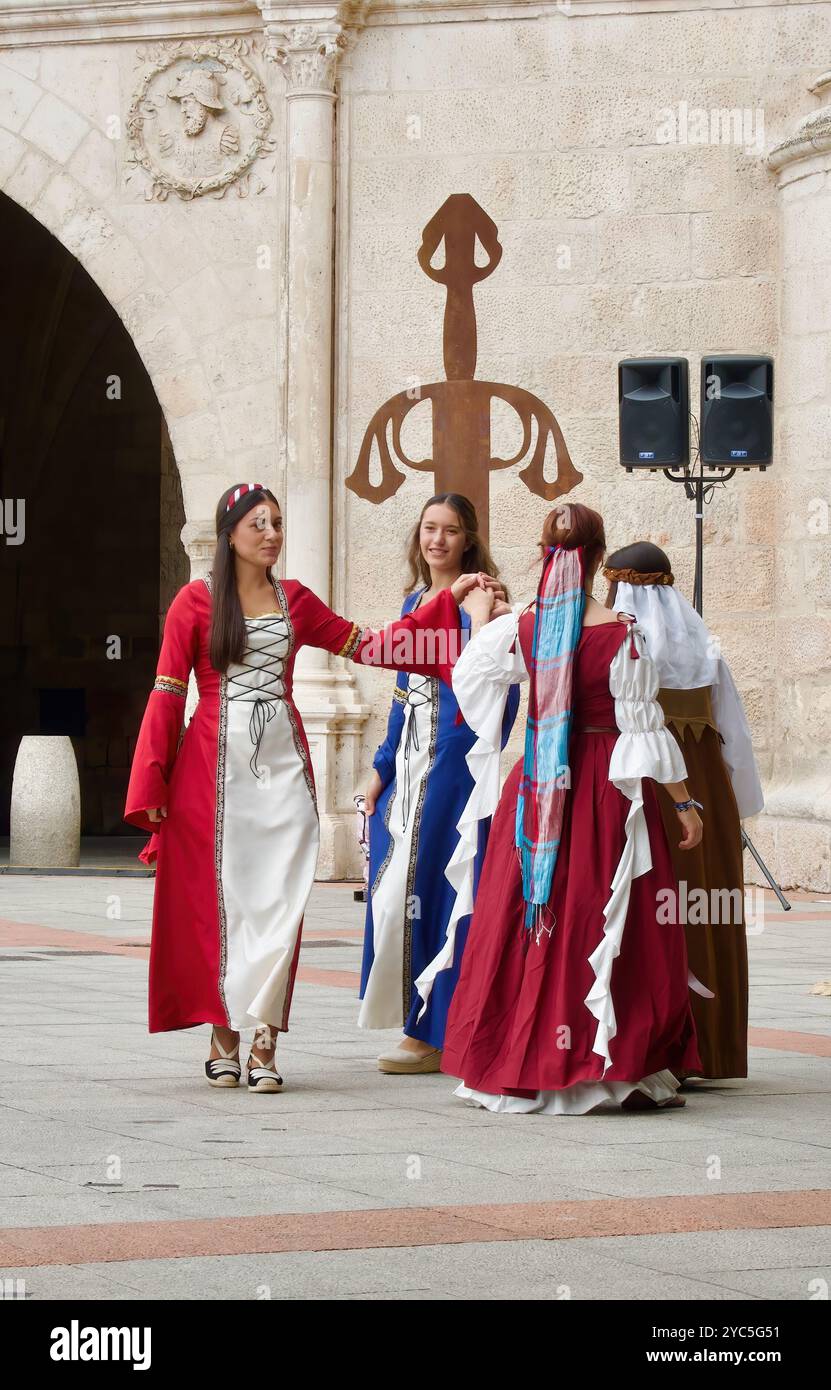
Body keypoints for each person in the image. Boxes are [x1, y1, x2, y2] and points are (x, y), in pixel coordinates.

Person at [124, 483, 500, 1092]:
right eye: (259, 524)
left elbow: (377, 647)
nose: (272, 534)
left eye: (277, 523)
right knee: (222, 904)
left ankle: (265, 1041)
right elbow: (168, 693)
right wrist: (153, 782)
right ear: (230, 534)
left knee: (280, 902)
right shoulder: (193, 604)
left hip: (286, 774)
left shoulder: (296, 600)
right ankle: (223, 1030)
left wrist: (445, 604)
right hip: (208, 775)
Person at [439, 502, 704, 1114]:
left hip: (538, 783)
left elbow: (471, 678)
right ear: (599, 558)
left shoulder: (526, 627)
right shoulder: (622, 633)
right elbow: (643, 730)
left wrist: (482, 616)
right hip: (604, 790)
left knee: (532, 913)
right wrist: (684, 802)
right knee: (598, 916)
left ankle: (524, 1055)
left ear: (545, 553)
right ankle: (605, 1064)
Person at [360, 494, 519, 1074]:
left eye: (451, 531)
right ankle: (424, 1018)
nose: (438, 540)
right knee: (394, 887)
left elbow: (503, 687)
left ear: (468, 539)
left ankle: (435, 1029)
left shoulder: (485, 598)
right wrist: (380, 768)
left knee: (439, 883)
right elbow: (401, 692)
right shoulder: (414, 600)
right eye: (430, 528)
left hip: (453, 759)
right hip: (407, 761)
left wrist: (478, 747)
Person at [604, 541, 764, 1080]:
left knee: (655, 909)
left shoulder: (622, 653)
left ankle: (660, 1050)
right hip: (707, 797)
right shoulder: (708, 654)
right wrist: (737, 811)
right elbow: (735, 742)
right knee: (703, 903)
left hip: (650, 789)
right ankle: (709, 1050)